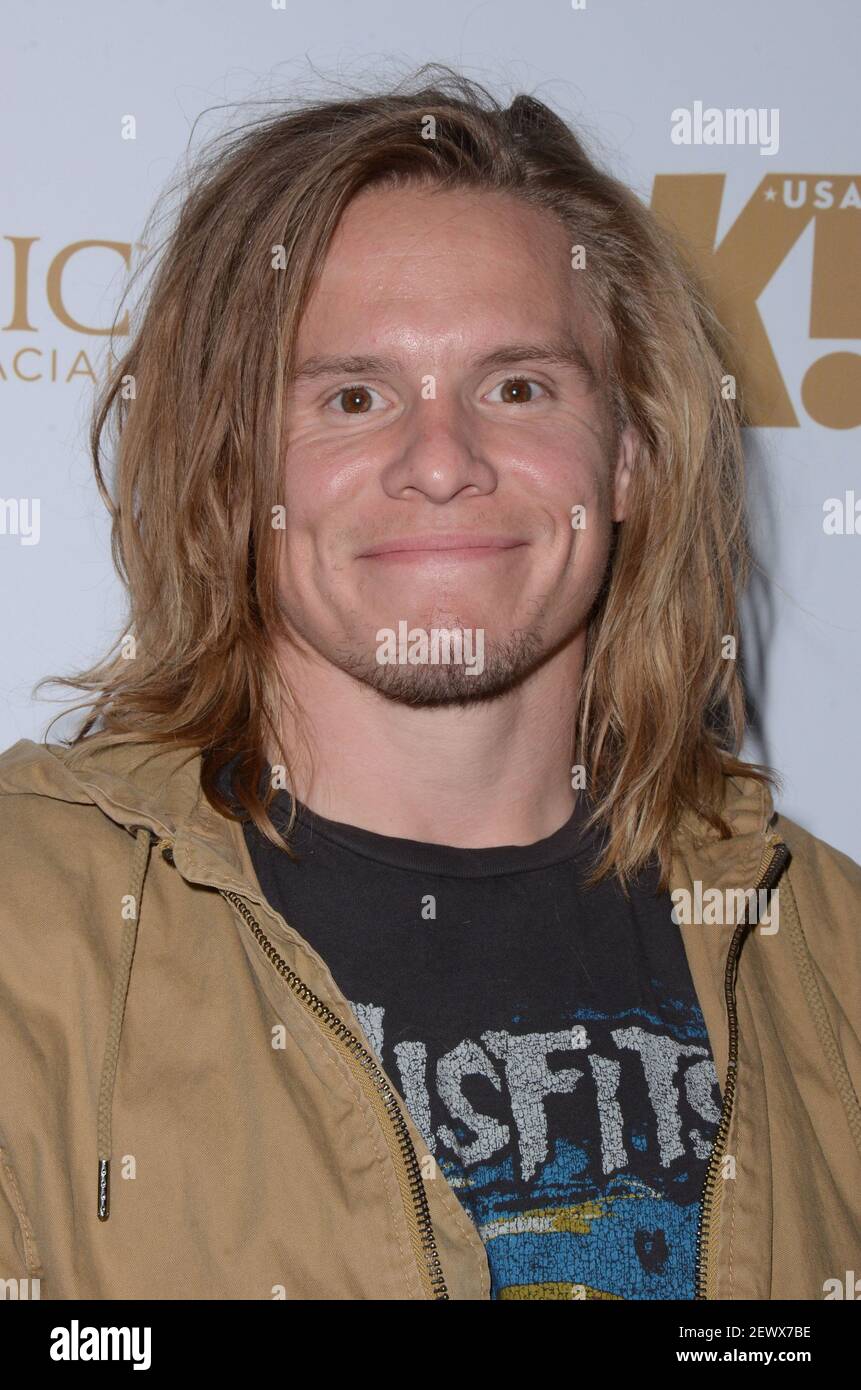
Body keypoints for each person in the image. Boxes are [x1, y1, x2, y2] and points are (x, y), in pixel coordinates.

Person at [0, 66, 859, 1303]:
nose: (442, 461)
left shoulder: (826, 943)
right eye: (354, 396)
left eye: (518, 387)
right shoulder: (34, 933)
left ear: (628, 458)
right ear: (237, 471)